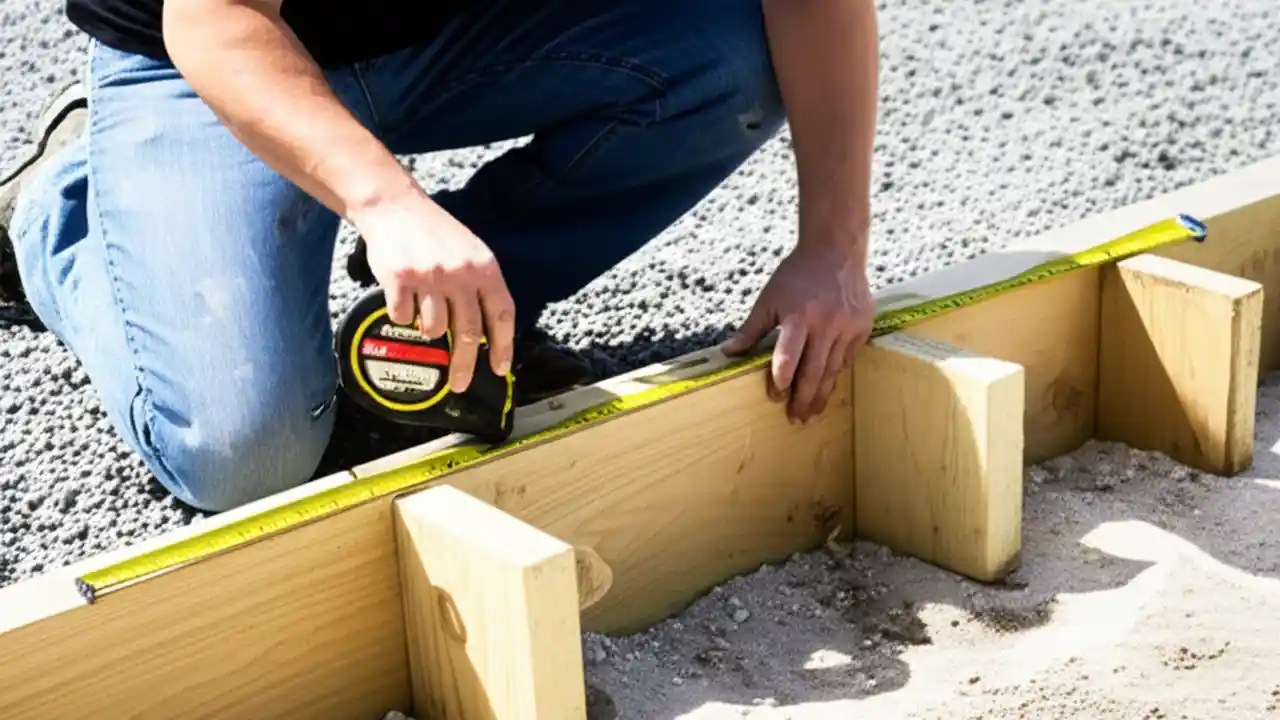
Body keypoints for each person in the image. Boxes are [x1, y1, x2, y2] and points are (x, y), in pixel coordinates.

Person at [0, 0, 879, 512]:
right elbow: (216, 18)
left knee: (731, 64)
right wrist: (386, 202)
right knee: (241, 455)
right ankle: (59, 210)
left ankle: (448, 322)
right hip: (209, 57)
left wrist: (833, 246)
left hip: (471, 28)